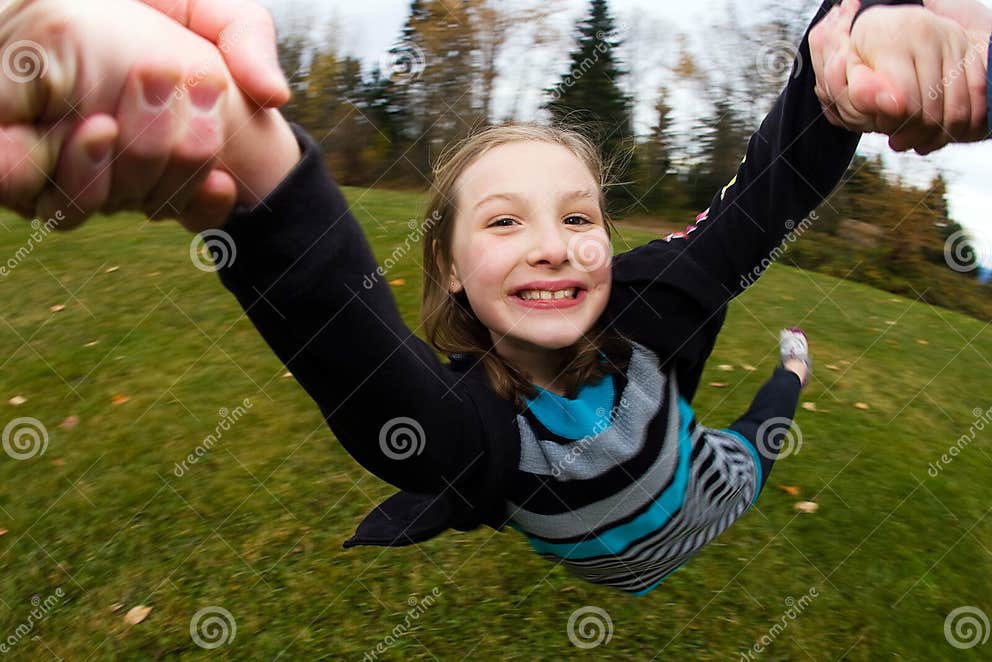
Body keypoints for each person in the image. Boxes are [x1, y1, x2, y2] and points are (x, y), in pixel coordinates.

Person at [0, 0, 985, 595]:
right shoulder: (468, 430)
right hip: (611, 561)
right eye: (504, 222)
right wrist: (230, 143)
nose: (552, 245)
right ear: (454, 270)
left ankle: (790, 365)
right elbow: (346, 337)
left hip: (702, 488)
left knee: (760, 436)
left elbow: (773, 186)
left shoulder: (647, 312)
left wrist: (853, 40)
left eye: (577, 216)